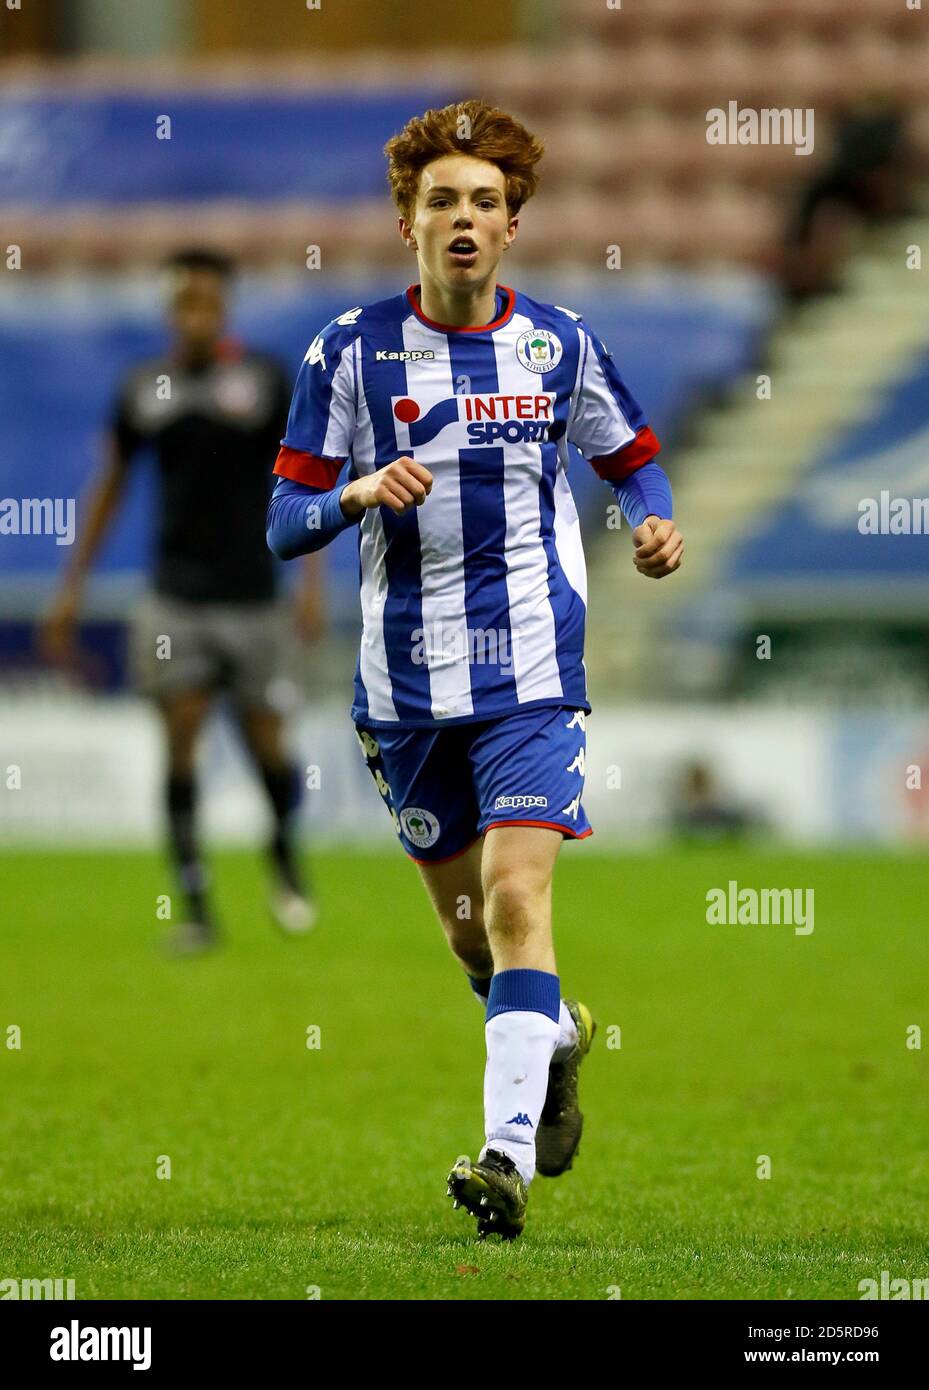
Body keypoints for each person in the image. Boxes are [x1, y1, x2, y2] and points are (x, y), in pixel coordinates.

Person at [267, 101, 683, 1240]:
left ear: (512, 224)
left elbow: (634, 461)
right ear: (405, 220)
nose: (463, 218)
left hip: (531, 677)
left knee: (515, 898)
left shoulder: (558, 345)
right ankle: (549, 1044)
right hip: (402, 696)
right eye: (440, 199)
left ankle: (503, 1158)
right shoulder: (345, 353)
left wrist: (652, 523)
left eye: (484, 202)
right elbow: (282, 521)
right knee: (470, 937)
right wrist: (351, 494)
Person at [42, 247, 322, 954]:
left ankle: (284, 854)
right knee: (181, 739)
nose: (194, 316)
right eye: (182, 303)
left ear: (223, 308)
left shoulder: (261, 380)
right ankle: (196, 907)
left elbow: (305, 482)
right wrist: (71, 587)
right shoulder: (144, 387)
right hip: (175, 599)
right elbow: (110, 484)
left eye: (206, 303)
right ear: (171, 311)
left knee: (268, 749)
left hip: (255, 595)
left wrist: (311, 584)